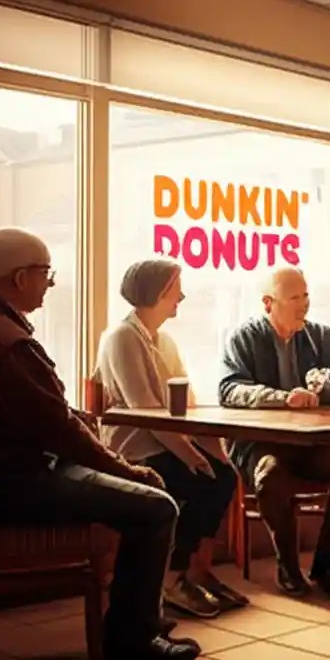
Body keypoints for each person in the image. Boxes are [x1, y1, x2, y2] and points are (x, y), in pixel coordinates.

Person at [0, 228, 200, 660]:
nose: (51, 283)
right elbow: (58, 431)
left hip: (8, 478)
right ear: (20, 278)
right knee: (157, 506)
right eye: (46, 273)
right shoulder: (8, 343)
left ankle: (138, 620)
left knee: (150, 499)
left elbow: (46, 414)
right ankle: (132, 642)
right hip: (25, 484)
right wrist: (128, 470)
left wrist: (75, 418)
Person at [96, 259, 247, 619]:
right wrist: (190, 455)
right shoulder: (120, 337)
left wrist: (212, 450)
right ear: (159, 292)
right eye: (176, 287)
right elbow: (145, 411)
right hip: (134, 449)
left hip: (167, 443)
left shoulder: (164, 341)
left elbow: (187, 403)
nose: (181, 295)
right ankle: (174, 579)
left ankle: (198, 570)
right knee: (196, 483)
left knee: (224, 476)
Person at [218, 266, 330, 604]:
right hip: (260, 444)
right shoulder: (243, 337)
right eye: (294, 298)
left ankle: (327, 565)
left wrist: (324, 389)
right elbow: (229, 389)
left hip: (311, 443)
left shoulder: (320, 335)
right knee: (271, 473)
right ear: (268, 303)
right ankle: (287, 565)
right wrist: (282, 398)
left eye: (306, 295)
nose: (304, 304)